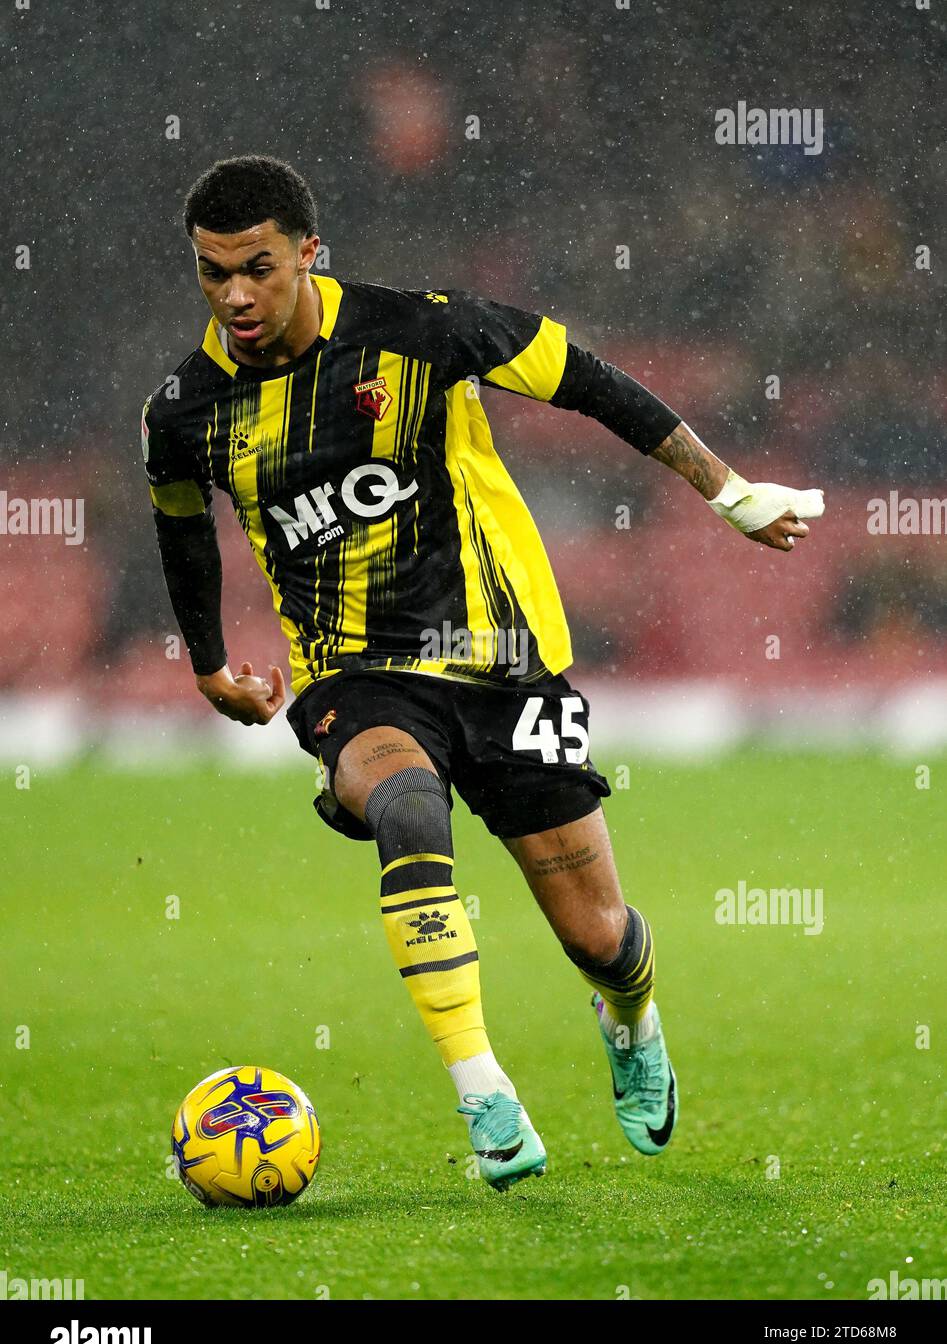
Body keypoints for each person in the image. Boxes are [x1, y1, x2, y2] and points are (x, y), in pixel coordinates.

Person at [141, 154, 824, 1191]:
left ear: (307, 255)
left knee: (598, 936)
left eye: (257, 267)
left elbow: (581, 377)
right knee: (406, 806)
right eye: (210, 272)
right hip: (354, 677)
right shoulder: (185, 411)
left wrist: (726, 492)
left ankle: (630, 1017)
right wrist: (204, 667)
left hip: (505, 659)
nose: (234, 293)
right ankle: (484, 1094)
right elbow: (182, 531)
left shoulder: (420, 329)